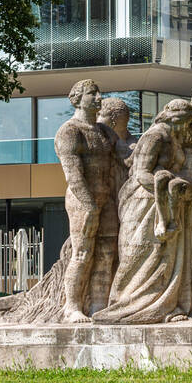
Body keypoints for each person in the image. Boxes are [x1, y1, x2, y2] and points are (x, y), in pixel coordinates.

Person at [94, 99, 192, 324]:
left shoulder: (174, 138)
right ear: (175, 120)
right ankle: (124, 303)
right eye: (185, 123)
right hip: (143, 201)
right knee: (138, 254)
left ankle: (160, 305)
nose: (187, 128)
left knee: (163, 255)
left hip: (164, 202)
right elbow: (141, 174)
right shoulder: (155, 136)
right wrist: (170, 185)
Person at [54, 79, 120, 322]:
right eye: (92, 93)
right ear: (77, 99)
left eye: (98, 92)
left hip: (107, 198)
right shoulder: (70, 131)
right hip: (83, 200)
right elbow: (73, 175)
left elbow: (127, 155)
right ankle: (72, 307)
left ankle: (99, 305)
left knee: (107, 251)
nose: (99, 97)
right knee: (82, 253)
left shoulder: (104, 131)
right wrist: (90, 206)